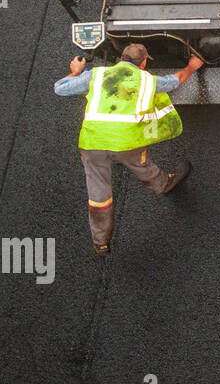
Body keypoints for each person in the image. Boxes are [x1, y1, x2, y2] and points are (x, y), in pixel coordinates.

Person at [54, 43, 202, 255]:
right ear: (143, 63)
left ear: (121, 58)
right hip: (126, 142)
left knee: (98, 195)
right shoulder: (147, 80)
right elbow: (175, 81)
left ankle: (101, 242)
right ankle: (164, 184)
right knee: (142, 166)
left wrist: (75, 71)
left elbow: (59, 87)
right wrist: (192, 66)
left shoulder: (96, 75)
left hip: (93, 143)